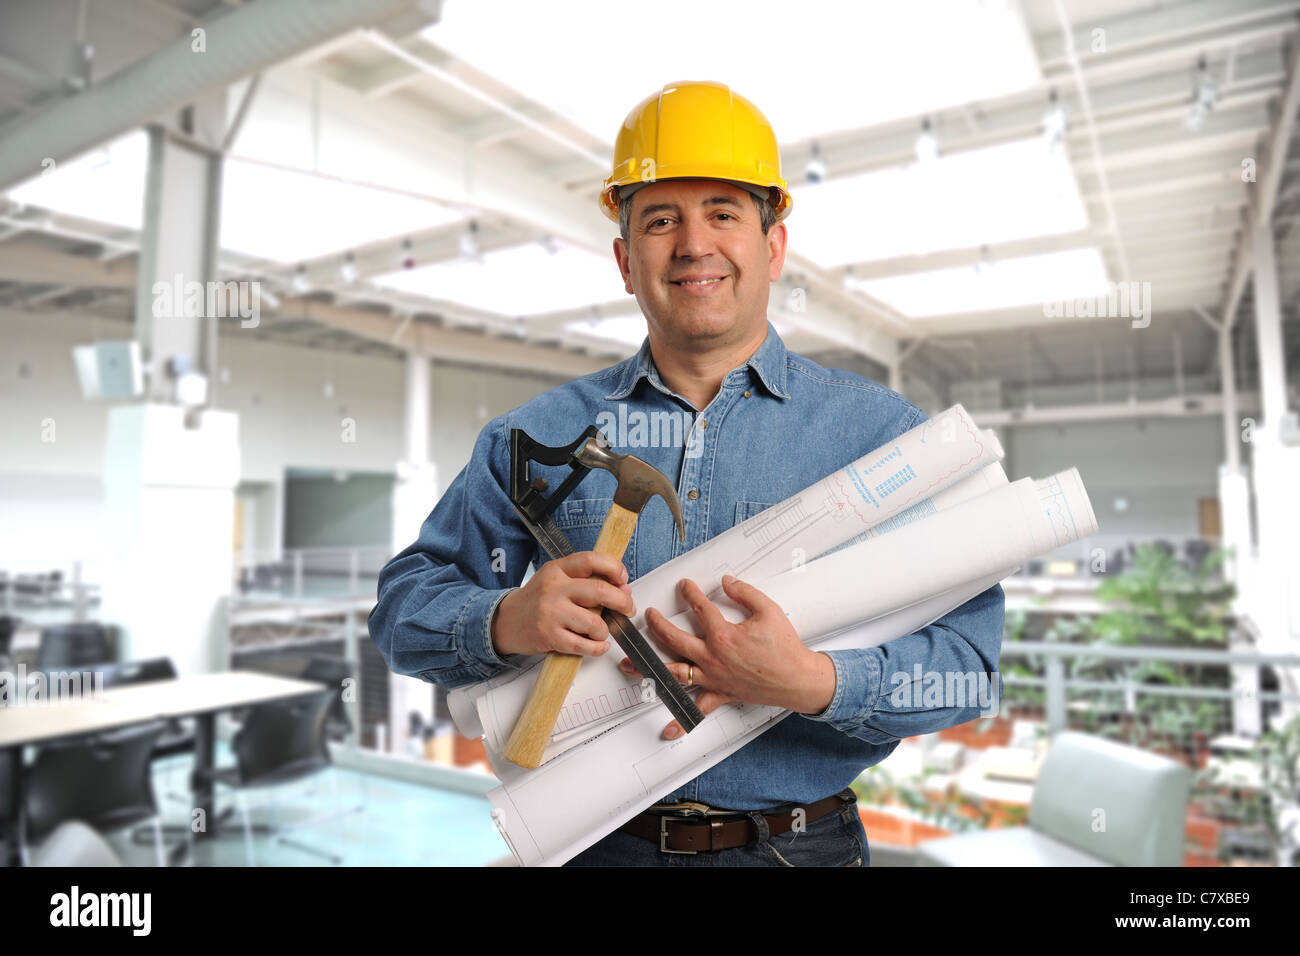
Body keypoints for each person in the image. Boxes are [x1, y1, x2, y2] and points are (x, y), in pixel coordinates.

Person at [369, 81, 1005, 866]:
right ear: (624, 259)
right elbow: (402, 609)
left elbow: (968, 676)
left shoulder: (884, 440)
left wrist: (812, 679)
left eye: (724, 213)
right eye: (661, 220)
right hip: (595, 848)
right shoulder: (536, 434)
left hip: (800, 850)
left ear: (772, 247)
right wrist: (508, 617)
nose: (693, 244)